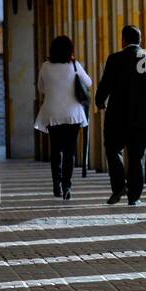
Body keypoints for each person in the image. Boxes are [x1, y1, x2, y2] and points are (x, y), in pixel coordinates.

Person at [95, 25, 146, 206]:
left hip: (116, 117)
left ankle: (118, 187)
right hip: (141, 118)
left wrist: (99, 101)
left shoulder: (115, 59)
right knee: (136, 157)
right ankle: (134, 197)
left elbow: (106, 84)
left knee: (113, 150)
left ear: (123, 40)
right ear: (140, 40)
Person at [34, 35, 92, 200]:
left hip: (53, 113)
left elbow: (41, 88)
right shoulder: (74, 65)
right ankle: (67, 185)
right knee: (69, 151)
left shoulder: (45, 66)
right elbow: (88, 83)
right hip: (73, 114)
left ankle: (56, 185)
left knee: (55, 150)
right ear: (70, 50)